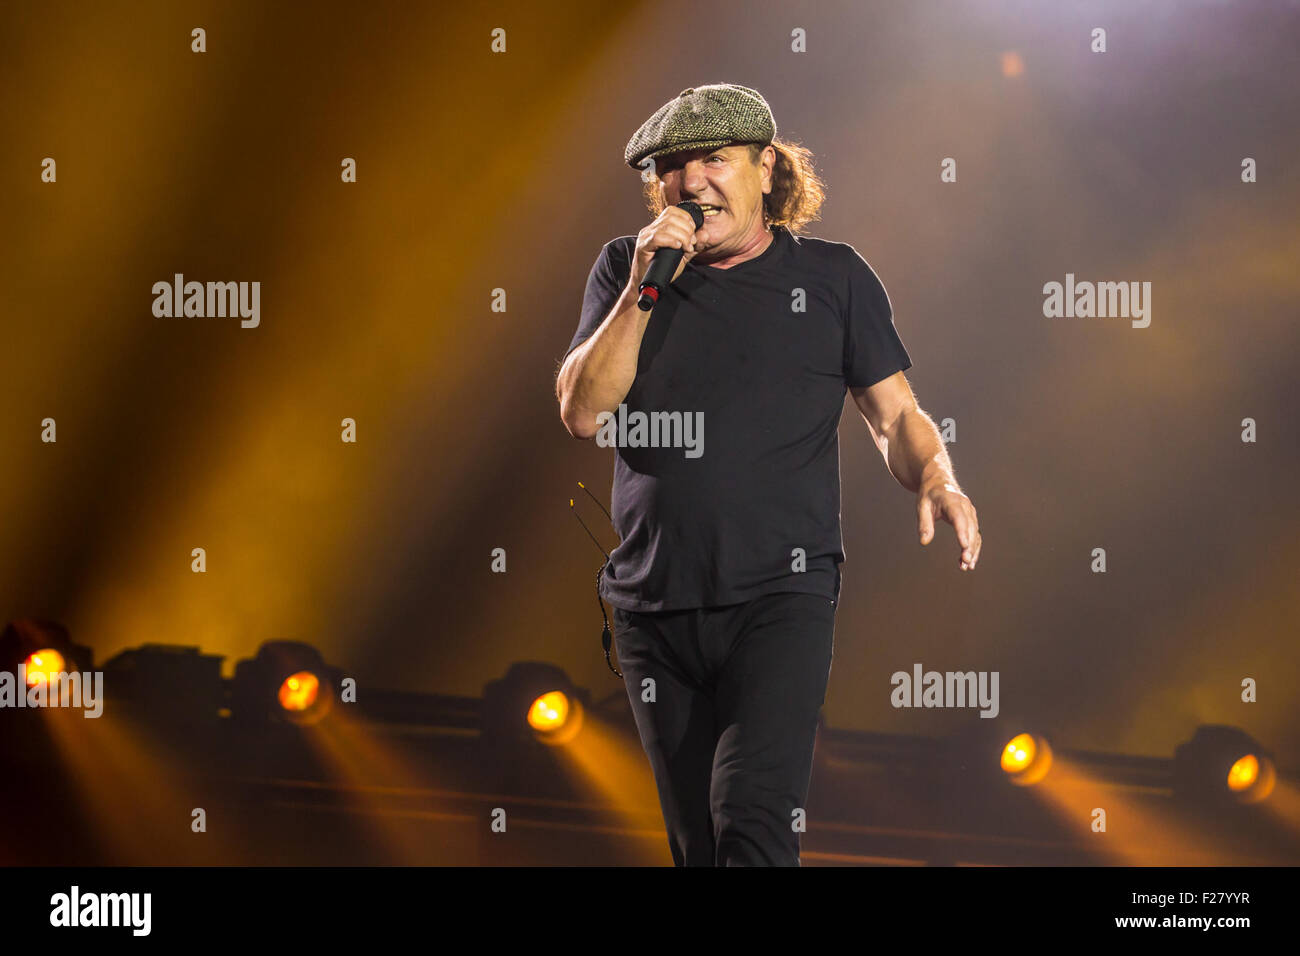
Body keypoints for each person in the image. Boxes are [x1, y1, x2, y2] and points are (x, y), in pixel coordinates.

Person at [555, 83, 982, 866]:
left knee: (752, 826)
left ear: (765, 166)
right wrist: (646, 288)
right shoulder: (628, 270)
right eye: (674, 168)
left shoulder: (833, 278)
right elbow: (584, 412)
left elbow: (894, 415)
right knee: (699, 847)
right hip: (653, 606)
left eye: (713, 159)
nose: (691, 183)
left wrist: (936, 477)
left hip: (779, 596)